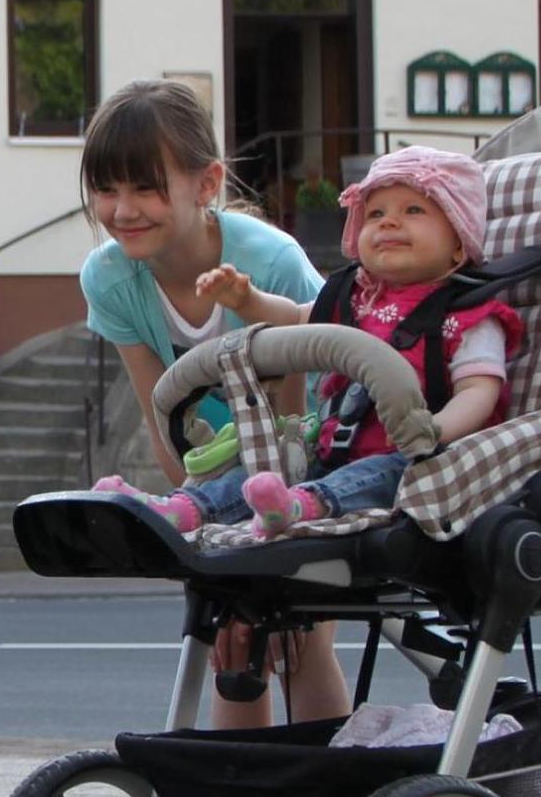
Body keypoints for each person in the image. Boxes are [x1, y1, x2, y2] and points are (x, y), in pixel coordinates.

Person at [78, 79, 351, 728]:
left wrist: (280, 514)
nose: (122, 210)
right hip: (224, 471)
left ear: (206, 185)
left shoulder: (271, 261)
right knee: (235, 642)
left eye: (145, 188)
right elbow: (161, 413)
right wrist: (201, 506)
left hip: (313, 456)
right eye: (106, 189)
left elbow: (317, 385)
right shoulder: (111, 278)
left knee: (300, 639)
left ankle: (322, 795)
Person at [201, 143, 522, 535]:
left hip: (415, 463)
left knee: (377, 474)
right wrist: (247, 300)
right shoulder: (354, 297)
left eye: (413, 210)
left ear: (458, 241)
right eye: (376, 213)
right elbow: (297, 321)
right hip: (333, 450)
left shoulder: (468, 313)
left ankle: (300, 506)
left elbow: (479, 391)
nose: (389, 222)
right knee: (263, 469)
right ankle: (185, 508)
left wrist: (433, 431)